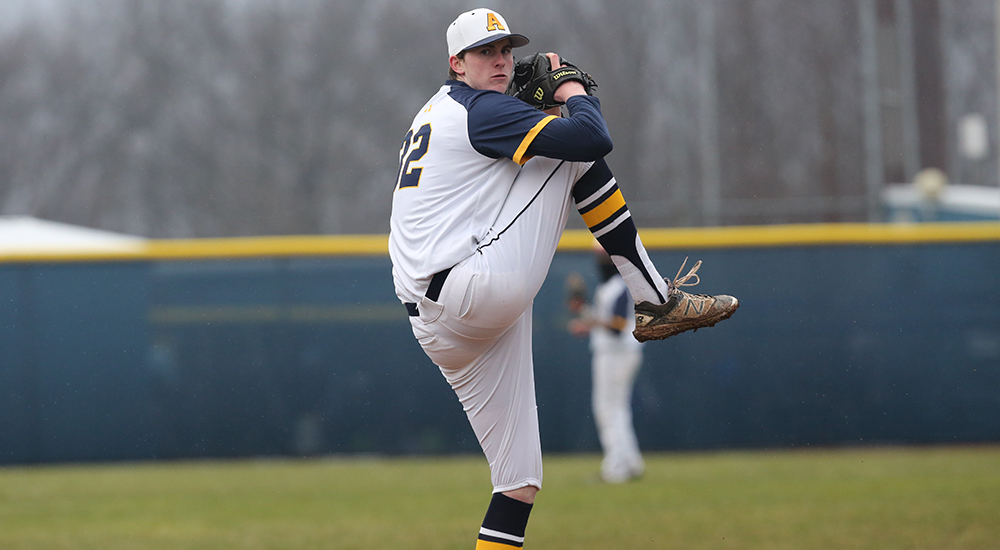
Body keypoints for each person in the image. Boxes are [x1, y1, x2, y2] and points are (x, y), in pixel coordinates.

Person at [388, 8, 738, 548]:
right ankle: (655, 300)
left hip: (440, 323)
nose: (501, 61)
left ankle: (653, 300)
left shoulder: (439, 111)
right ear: (457, 63)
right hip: (470, 289)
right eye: (485, 53)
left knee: (519, 484)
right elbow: (591, 138)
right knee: (569, 152)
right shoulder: (480, 110)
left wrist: (543, 104)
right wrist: (570, 86)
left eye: (505, 50)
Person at [567, 245, 645, 484]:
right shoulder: (612, 287)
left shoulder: (621, 286)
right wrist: (586, 316)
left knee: (609, 410)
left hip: (616, 354)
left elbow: (617, 326)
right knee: (618, 409)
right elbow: (610, 323)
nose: (599, 261)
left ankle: (617, 467)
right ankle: (631, 462)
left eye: (603, 257)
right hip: (617, 353)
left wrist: (588, 319)